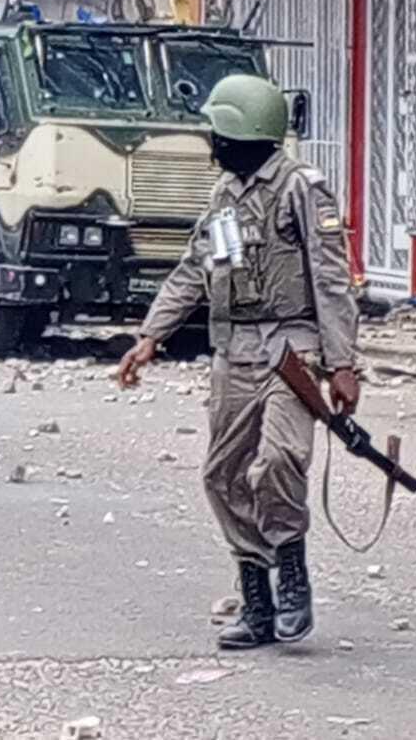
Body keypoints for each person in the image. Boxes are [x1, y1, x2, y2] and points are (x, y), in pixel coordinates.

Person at [117, 75, 359, 651]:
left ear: (244, 130)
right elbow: (195, 270)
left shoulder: (303, 189)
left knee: (279, 458)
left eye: (218, 130)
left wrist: (344, 363)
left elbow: (330, 278)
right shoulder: (224, 196)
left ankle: (292, 573)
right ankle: (258, 596)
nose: (211, 141)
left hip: (290, 353)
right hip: (234, 354)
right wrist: (150, 335)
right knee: (221, 476)